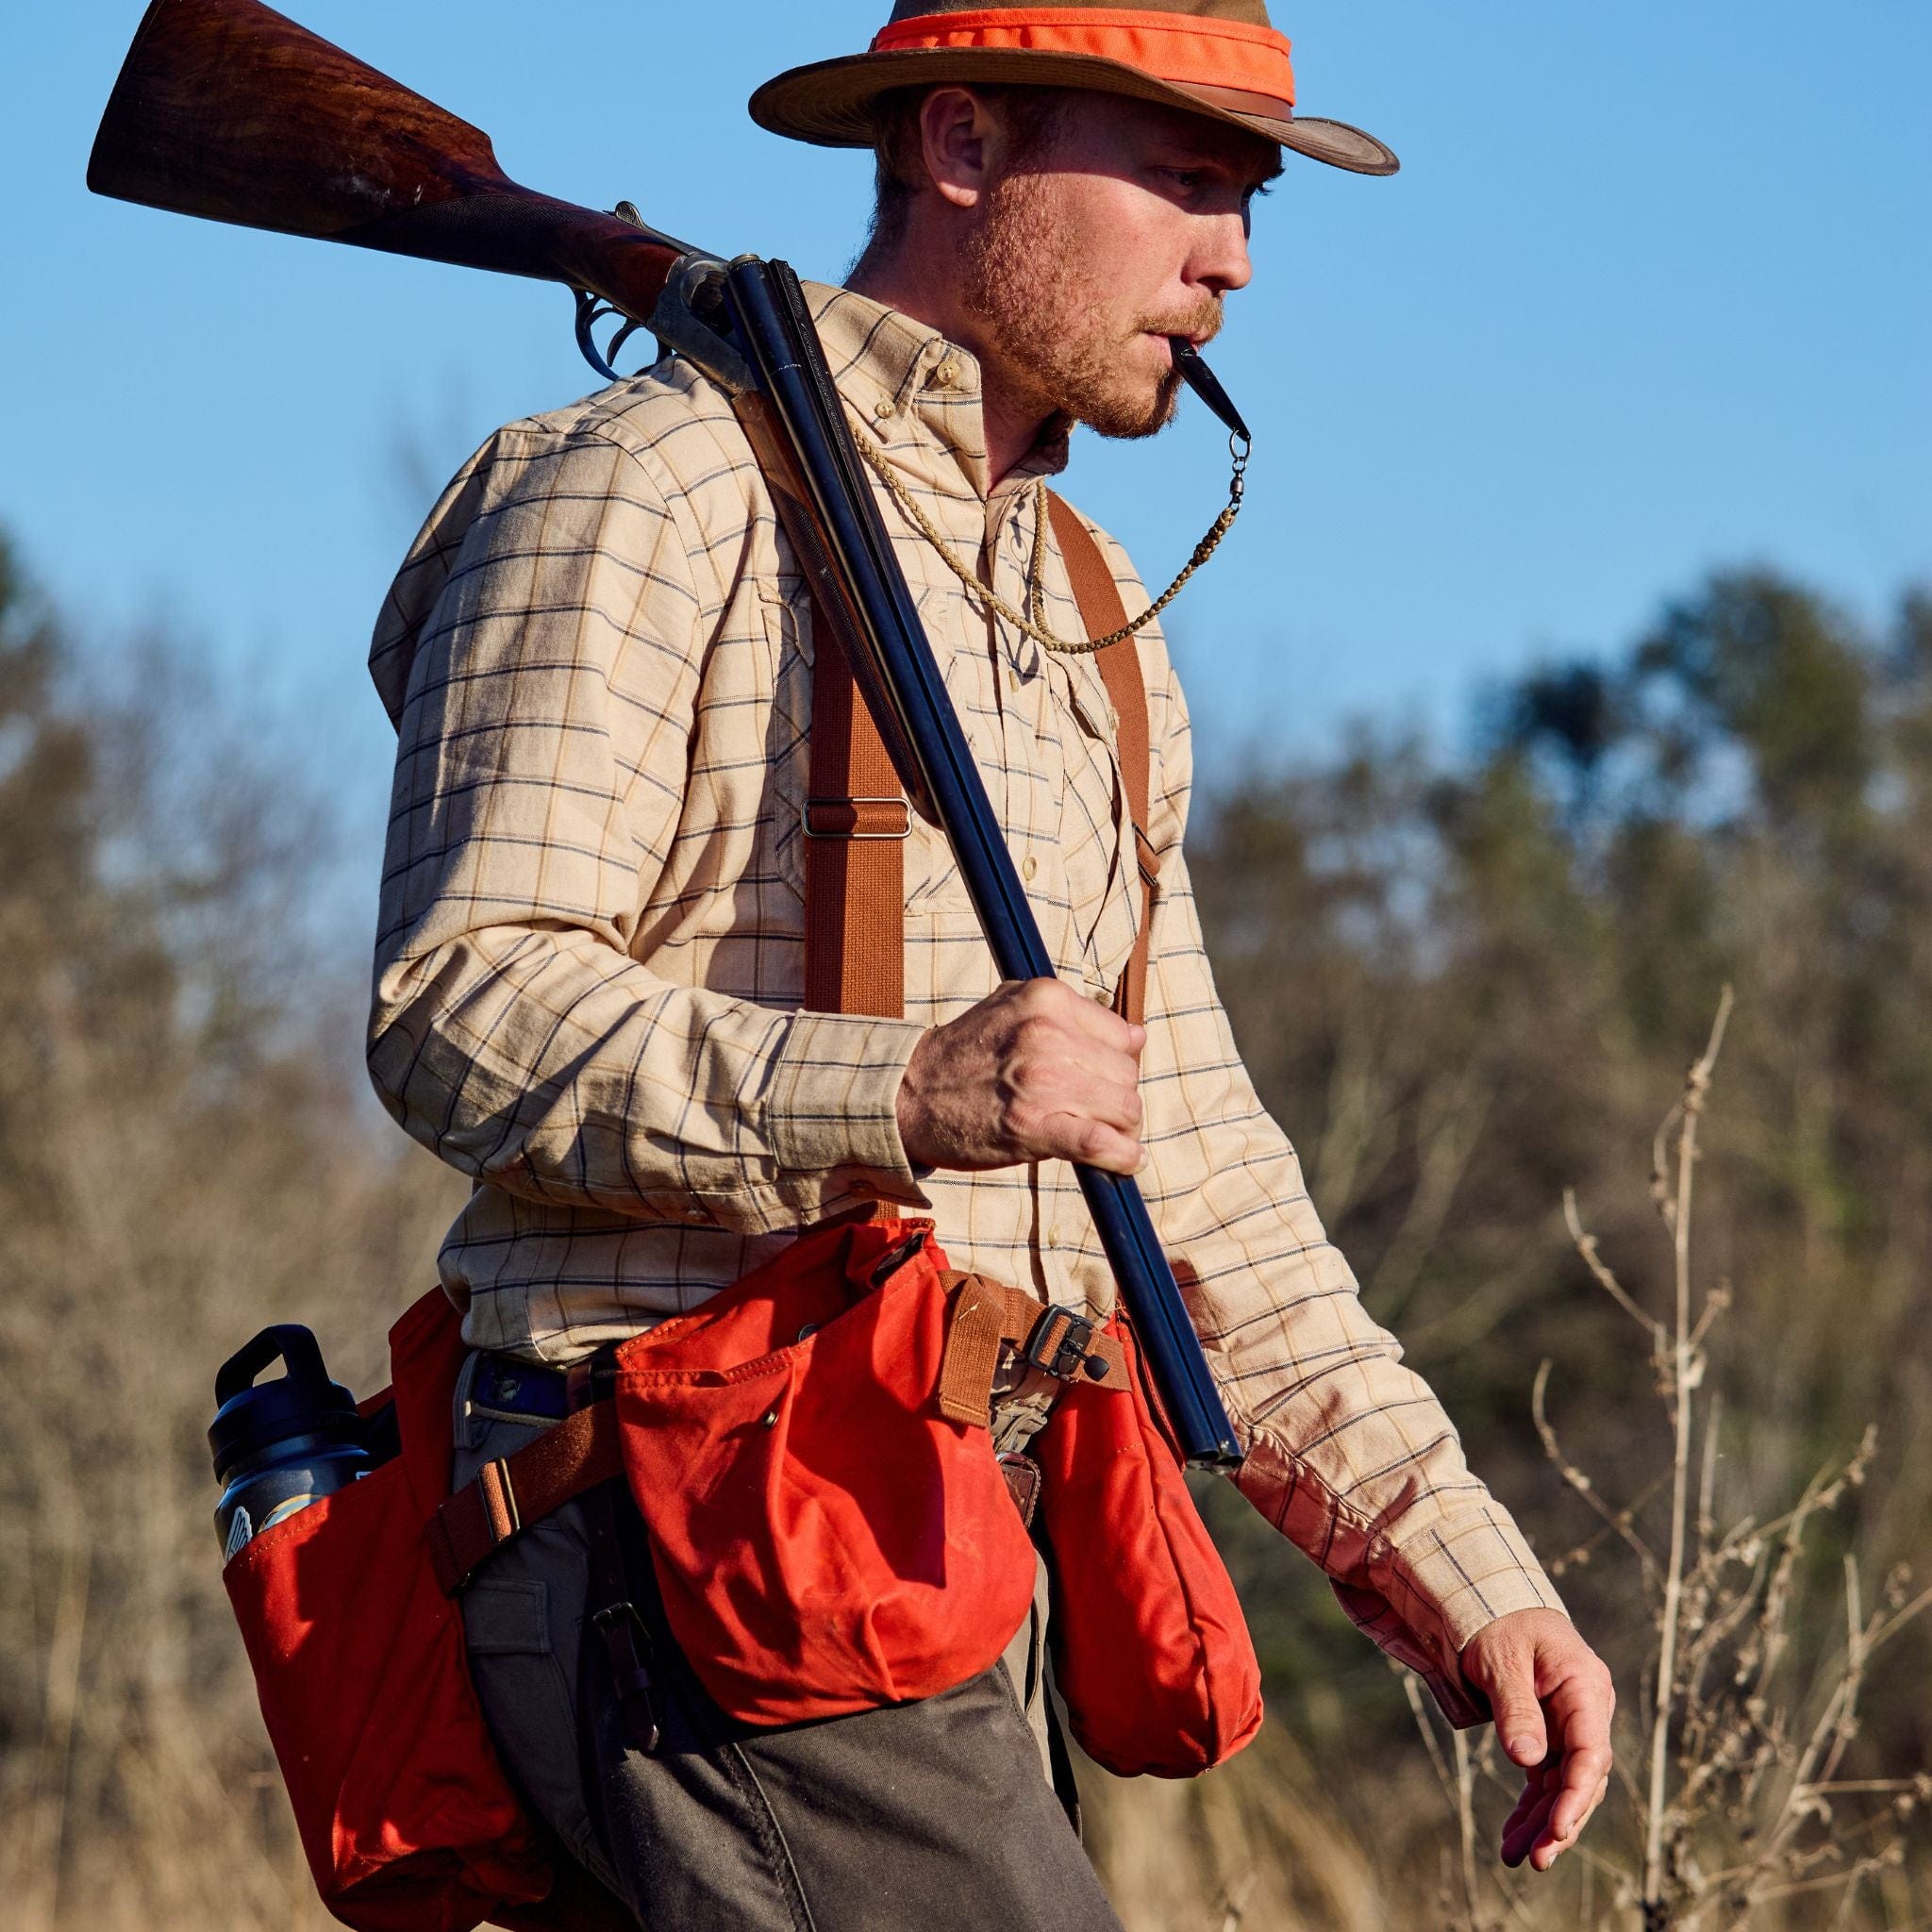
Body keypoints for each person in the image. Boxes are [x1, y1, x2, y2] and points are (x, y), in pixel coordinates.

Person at [365, 4, 1614, 1926]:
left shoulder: (1094, 608)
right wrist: (900, 1090)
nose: (1236, 258)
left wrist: (1463, 1566)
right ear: (955, 143)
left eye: (1250, 198)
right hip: (697, 1534)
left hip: (935, 1548)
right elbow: (463, 1006)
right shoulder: (647, 485)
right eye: (1187, 181)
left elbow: (1191, 1167)